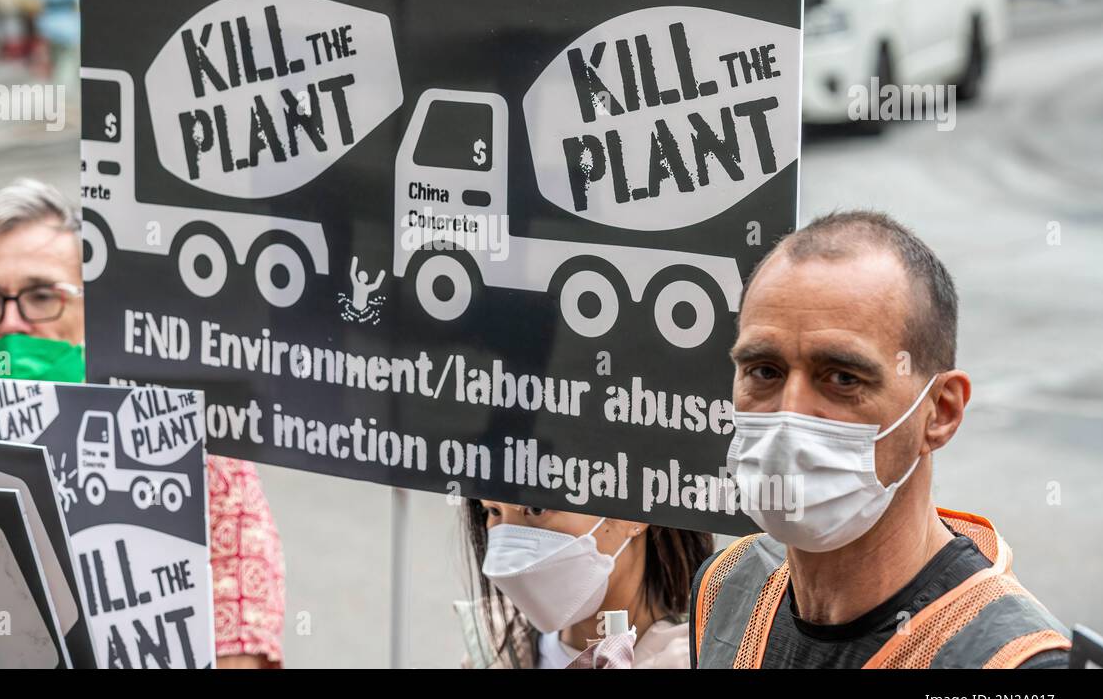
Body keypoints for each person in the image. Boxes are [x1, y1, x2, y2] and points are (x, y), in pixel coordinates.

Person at [691, 211, 1070, 669]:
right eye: (765, 371)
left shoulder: (1012, 662)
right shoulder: (727, 584)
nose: (790, 414)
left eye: (843, 378)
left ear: (941, 411)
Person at [0, 178, 286, 667]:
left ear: (98, 306)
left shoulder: (191, 450)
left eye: (41, 296)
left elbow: (241, 642)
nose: (10, 323)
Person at [458, 499, 712, 668]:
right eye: (493, 511)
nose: (510, 544)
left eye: (536, 508)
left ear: (632, 516)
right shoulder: (493, 652)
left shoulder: (705, 657)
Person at [16, 0, 80, 93]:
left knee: (54, 58)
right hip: (68, 18)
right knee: (68, 58)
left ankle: (57, 89)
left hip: (47, 18)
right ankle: (64, 91)